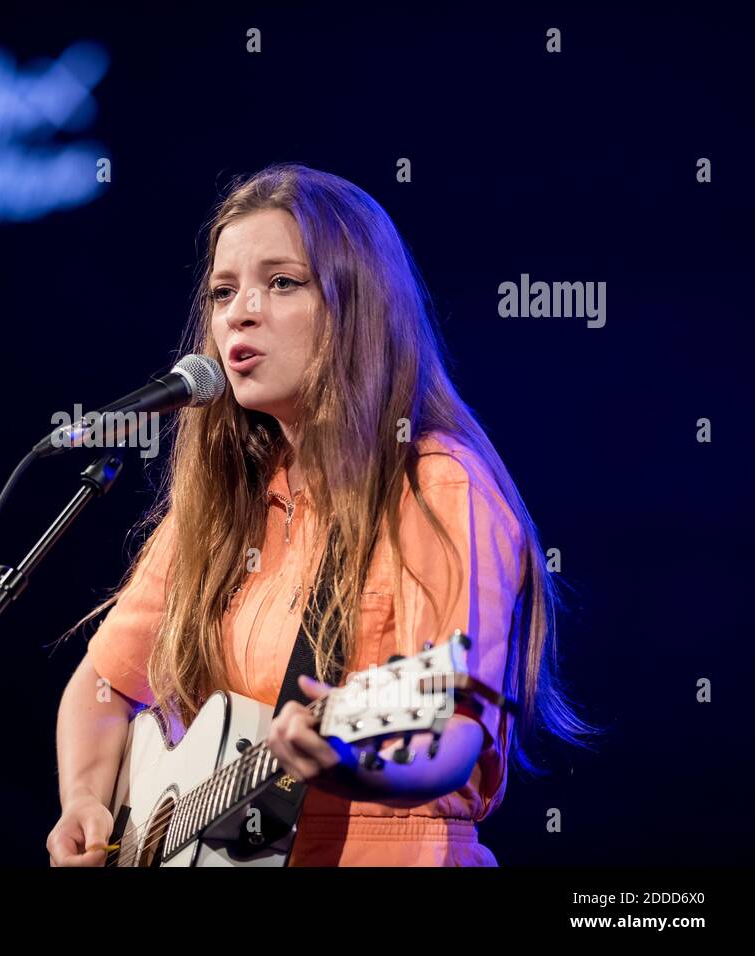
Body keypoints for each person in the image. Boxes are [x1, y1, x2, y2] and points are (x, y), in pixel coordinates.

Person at [46, 163, 596, 867]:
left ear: (357, 306)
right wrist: (86, 803)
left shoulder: (434, 486)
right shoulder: (219, 510)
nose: (239, 312)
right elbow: (102, 687)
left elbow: (453, 735)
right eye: (222, 292)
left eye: (281, 282)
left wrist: (347, 766)